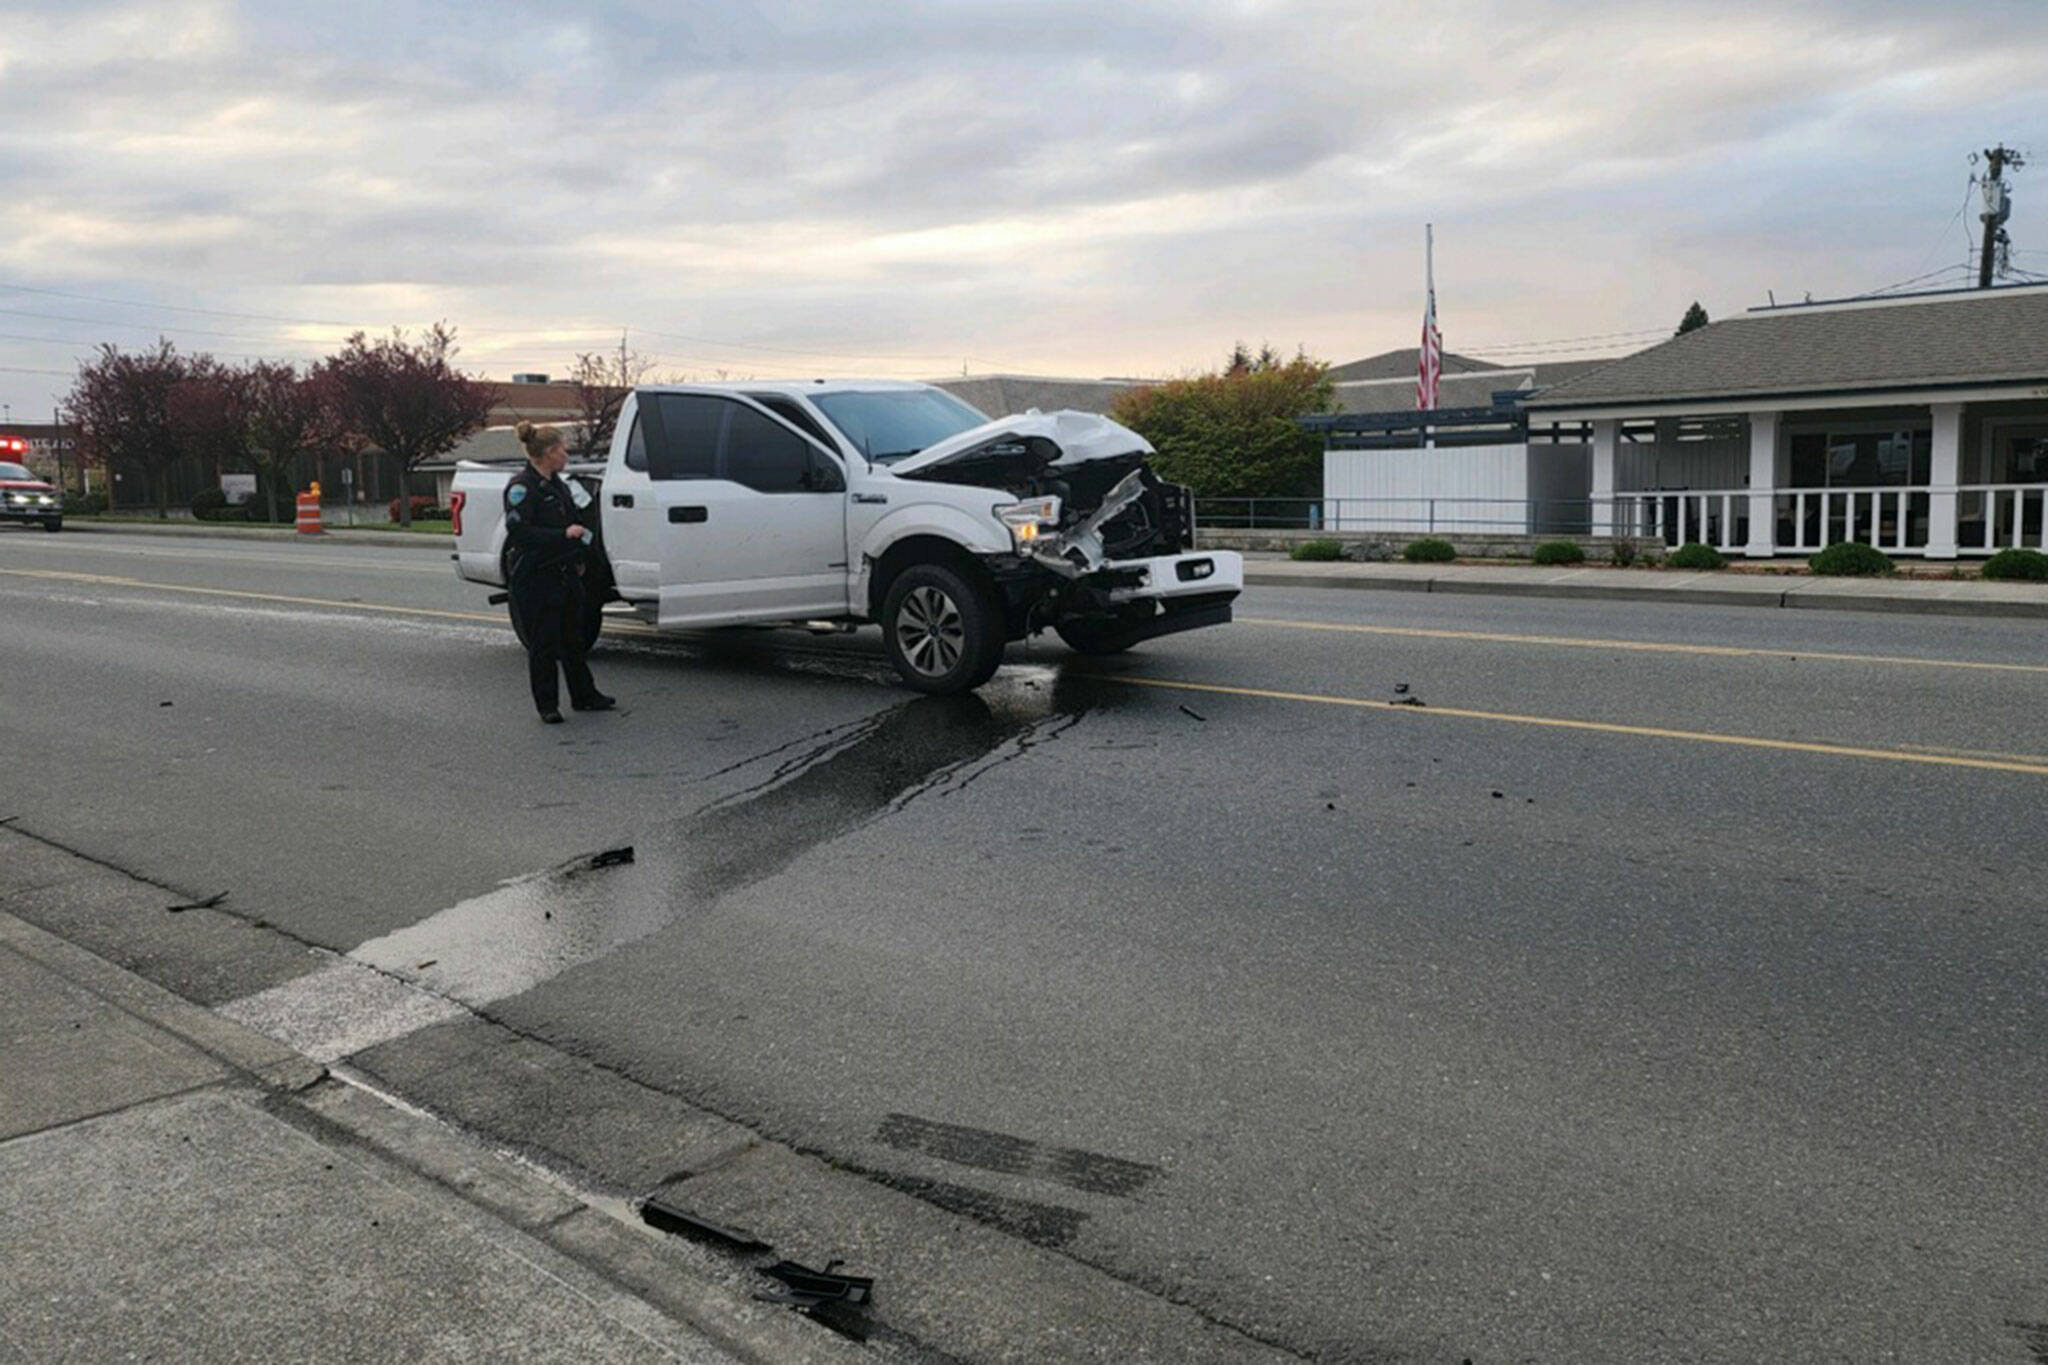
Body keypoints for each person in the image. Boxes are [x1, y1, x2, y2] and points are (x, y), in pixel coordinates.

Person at [504, 420, 615, 723]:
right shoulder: (522, 488)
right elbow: (520, 533)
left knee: (573, 640)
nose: (567, 454)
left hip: (565, 574)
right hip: (538, 577)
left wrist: (581, 551)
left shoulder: (559, 485)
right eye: (563, 449)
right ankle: (547, 705)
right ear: (549, 452)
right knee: (544, 644)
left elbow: (577, 520)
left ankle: (585, 695)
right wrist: (562, 535)